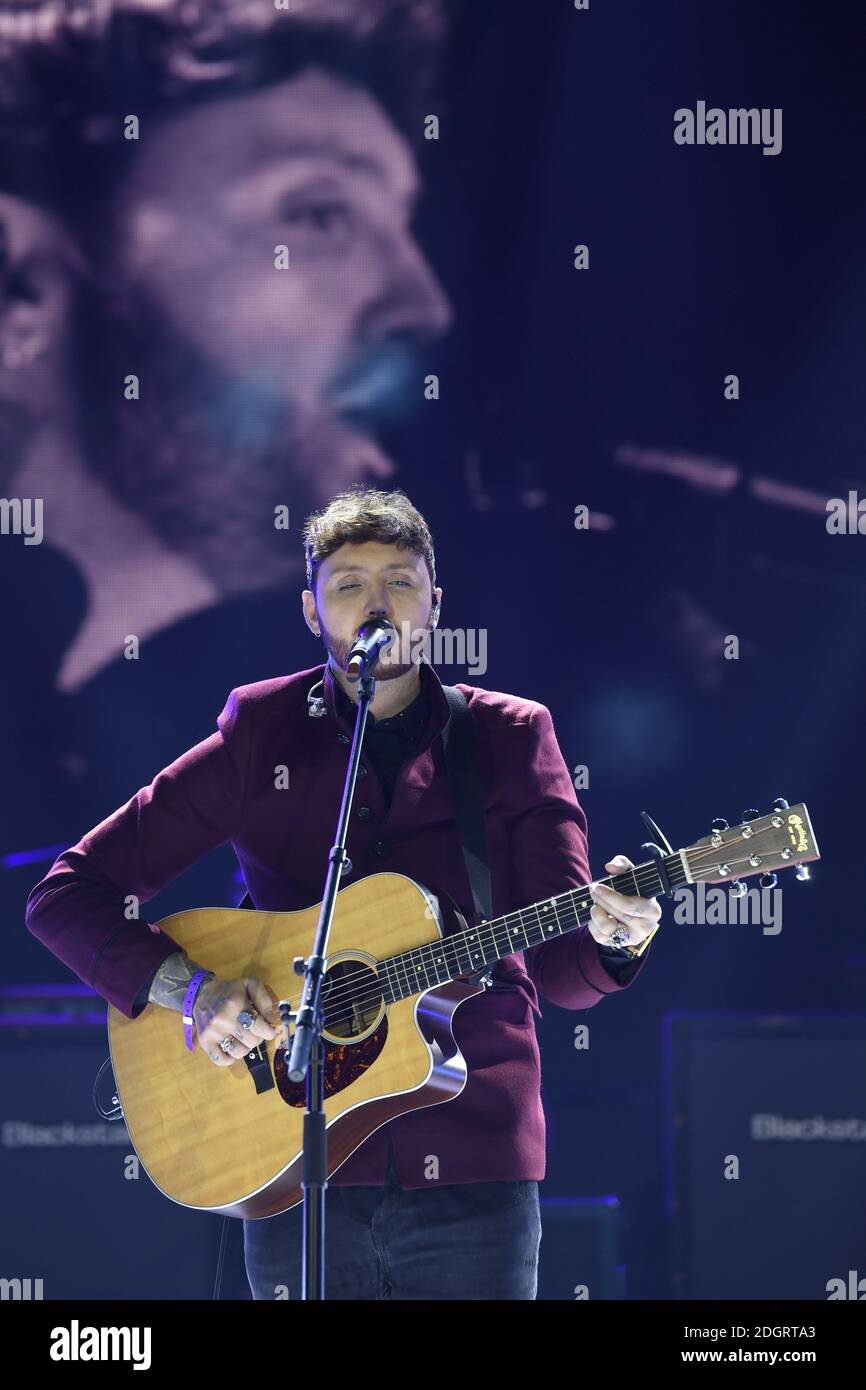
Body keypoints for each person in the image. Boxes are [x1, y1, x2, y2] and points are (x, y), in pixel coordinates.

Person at [25, 485, 662, 1300]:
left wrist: (616, 936)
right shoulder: (263, 733)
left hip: (471, 1159)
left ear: (434, 604)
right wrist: (194, 992)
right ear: (310, 609)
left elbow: (566, 975)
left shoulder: (509, 737)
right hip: (291, 1157)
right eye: (349, 584)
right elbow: (66, 894)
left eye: (400, 581)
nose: (377, 604)